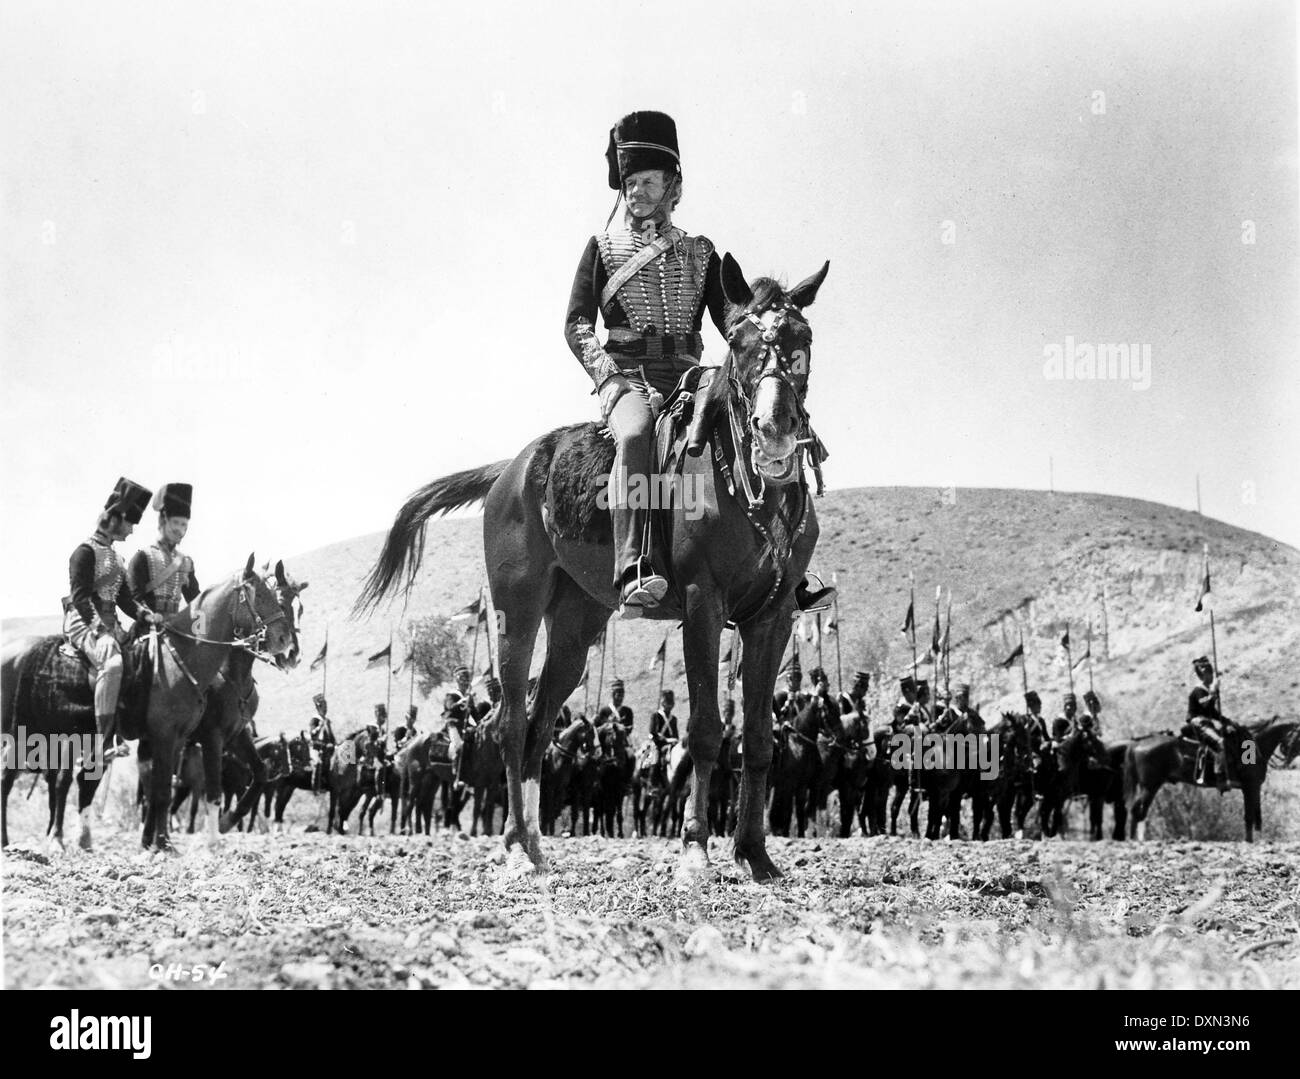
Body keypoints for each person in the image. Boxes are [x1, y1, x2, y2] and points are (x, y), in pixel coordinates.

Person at [564, 109, 834, 618]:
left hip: (691, 373)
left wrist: (767, 331)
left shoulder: (701, 252)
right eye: (629, 183)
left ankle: (787, 566)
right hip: (628, 377)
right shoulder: (602, 248)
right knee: (639, 432)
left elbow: (732, 324)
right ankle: (632, 564)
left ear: (674, 188)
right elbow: (577, 325)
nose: (635, 192)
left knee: (762, 410)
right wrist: (608, 376)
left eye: (646, 181)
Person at [63, 478, 161, 748]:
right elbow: (81, 599)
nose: (130, 531)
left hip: (111, 622)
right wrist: (101, 631)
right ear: (115, 520)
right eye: (129, 523)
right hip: (84, 623)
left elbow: (125, 599)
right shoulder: (84, 553)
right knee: (114, 664)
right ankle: (103, 741)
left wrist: (144, 614)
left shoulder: (117, 558)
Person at [127, 483, 199, 616]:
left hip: (175, 626)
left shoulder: (186, 562)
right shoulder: (143, 557)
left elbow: (196, 600)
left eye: (183, 524)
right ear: (163, 521)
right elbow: (134, 598)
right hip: (149, 625)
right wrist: (148, 616)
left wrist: (201, 630)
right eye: (175, 522)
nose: (179, 529)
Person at [1187, 655, 1234, 787]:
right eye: (1210, 674)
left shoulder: (1207, 691)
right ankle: (1220, 778)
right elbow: (1206, 706)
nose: (1212, 676)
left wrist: (1227, 721)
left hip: (1209, 721)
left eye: (1212, 674)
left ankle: (1248, 762)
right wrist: (1213, 692)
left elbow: (1212, 712)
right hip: (1199, 724)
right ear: (1204, 675)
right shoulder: (1198, 691)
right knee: (1221, 743)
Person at [648, 689, 679, 762]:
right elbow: (652, 732)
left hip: (672, 746)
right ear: (662, 702)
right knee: (653, 764)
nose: (669, 704)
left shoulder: (674, 719)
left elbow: (676, 735)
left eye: (671, 702)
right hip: (657, 745)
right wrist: (665, 740)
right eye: (667, 701)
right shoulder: (655, 716)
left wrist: (674, 740)